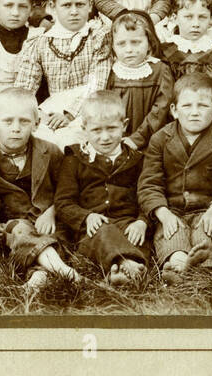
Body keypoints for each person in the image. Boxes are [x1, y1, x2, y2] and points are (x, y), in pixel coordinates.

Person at [138, 73, 212, 281]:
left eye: (203, 106)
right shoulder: (160, 139)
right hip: (172, 210)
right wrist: (164, 214)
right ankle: (177, 263)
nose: (194, 113)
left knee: (205, 236)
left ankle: (204, 267)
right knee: (172, 236)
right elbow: (149, 184)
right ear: (174, 111)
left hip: (208, 210)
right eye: (187, 106)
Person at [0, 87, 78, 291]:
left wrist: (51, 212)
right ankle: (65, 272)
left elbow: (67, 190)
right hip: (11, 228)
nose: (16, 128)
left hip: (49, 223)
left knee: (53, 239)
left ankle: (38, 278)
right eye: (8, 121)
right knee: (20, 232)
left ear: (37, 123)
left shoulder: (51, 152)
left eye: (24, 121)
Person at [55, 91, 150, 284]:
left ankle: (118, 272)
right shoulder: (74, 159)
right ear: (84, 128)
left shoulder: (137, 160)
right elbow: (63, 202)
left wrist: (141, 222)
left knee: (142, 239)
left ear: (124, 126)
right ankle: (129, 265)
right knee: (105, 232)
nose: (105, 137)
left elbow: (147, 196)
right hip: (92, 229)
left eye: (112, 129)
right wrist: (86, 216)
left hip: (127, 224)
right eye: (97, 130)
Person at [13, 0, 112, 149]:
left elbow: (97, 83)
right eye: (66, 5)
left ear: (90, 5)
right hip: (51, 110)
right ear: (52, 7)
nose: (74, 11)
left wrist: (70, 114)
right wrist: (38, 114)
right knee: (39, 139)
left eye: (80, 4)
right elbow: (24, 87)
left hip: (88, 108)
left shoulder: (98, 37)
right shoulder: (39, 43)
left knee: (73, 140)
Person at [97, 10, 174, 150]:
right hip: (116, 142)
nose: (129, 50)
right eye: (121, 44)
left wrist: (137, 139)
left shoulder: (160, 70)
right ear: (113, 47)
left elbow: (160, 111)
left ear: (150, 44)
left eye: (136, 42)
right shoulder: (111, 72)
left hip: (152, 141)